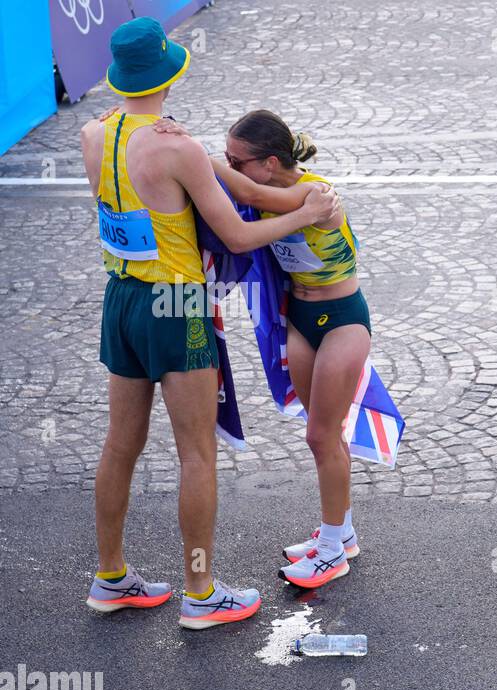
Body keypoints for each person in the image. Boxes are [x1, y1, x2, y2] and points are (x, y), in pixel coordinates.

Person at [80, 17, 340, 629]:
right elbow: (238, 233)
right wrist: (303, 219)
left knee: (120, 443)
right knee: (197, 455)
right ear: (170, 75)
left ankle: (110, 577)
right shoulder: (177, 147)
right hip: (178, 306)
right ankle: (201, 592)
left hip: (121, 298)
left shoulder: (96, 135)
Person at [216, 110, 370, 590]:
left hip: (343, 322)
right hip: (300, 321)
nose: (230, 166)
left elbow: (248, 193)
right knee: (323, 434)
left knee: (321, 437)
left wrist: (197, 157)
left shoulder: (311, 193)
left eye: (235, 159)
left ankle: (330, 554)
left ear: (269, 163)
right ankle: (340, 534)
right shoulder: (264, 194)